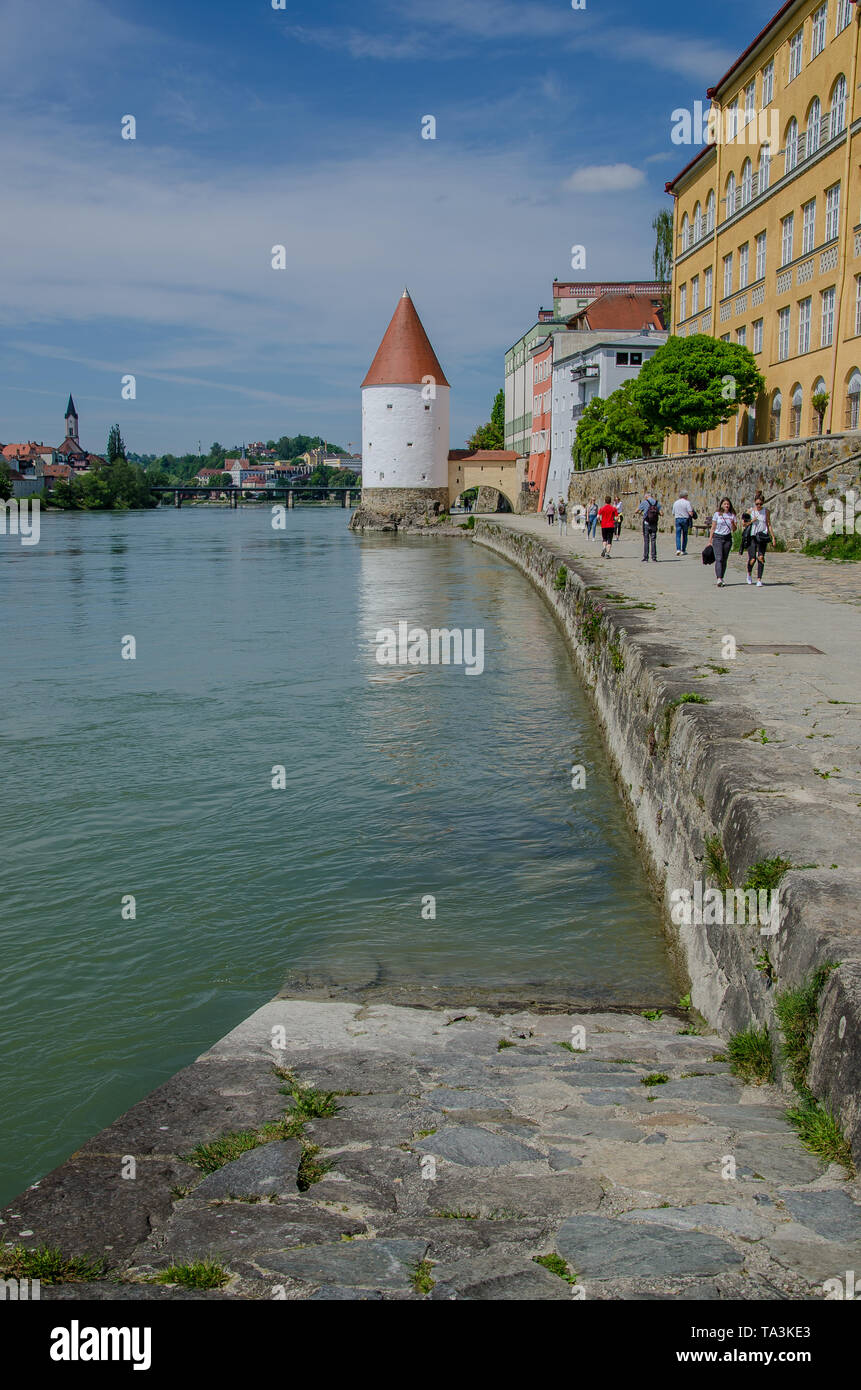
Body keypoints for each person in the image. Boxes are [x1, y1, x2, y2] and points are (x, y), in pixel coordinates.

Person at [746, 493, 776, 587]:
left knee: (761, 557)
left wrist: (773, 537)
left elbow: (769, 524)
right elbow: (744, 524)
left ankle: (759, 579)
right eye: (757, 504)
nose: (759, 506)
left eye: (761, 504)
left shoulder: (766, 511)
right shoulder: (750, 511)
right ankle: (749, 573)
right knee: (752, 559)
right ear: (755, 502)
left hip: (762, 536)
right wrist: (751, 521)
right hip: (752, 536)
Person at [708, 496, 738, 586]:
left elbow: (734, 529)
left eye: (728, 504)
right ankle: (719, 578)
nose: (726, 505)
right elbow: (713, 528)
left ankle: (722, 577)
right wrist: (710, 540)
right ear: (721, 505)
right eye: (725, 504)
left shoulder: (732, 515)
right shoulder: (717, 514)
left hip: (727, 538)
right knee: (719, 558)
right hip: (717, 538)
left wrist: (733, 523)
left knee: (724, 559)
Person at [638, 491, 662, 561]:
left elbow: (637, 510)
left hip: (646, 523)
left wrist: (640, 512)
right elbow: (661, 513)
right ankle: (654, 557)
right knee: (653, 540)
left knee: (646, 540)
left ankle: (646, 557)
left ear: (646, 497)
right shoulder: (657, 503)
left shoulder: (644, 502)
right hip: (654, 523)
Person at [672, 491, 695, 555]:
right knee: (685, 535)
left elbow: (673, 513)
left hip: (677, 519)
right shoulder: (687, 503)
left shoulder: (675, 503)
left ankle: (678, 549)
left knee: (678, 535)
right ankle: (683, 550)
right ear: (685, 496)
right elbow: (690, 513)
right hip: (685, 519)